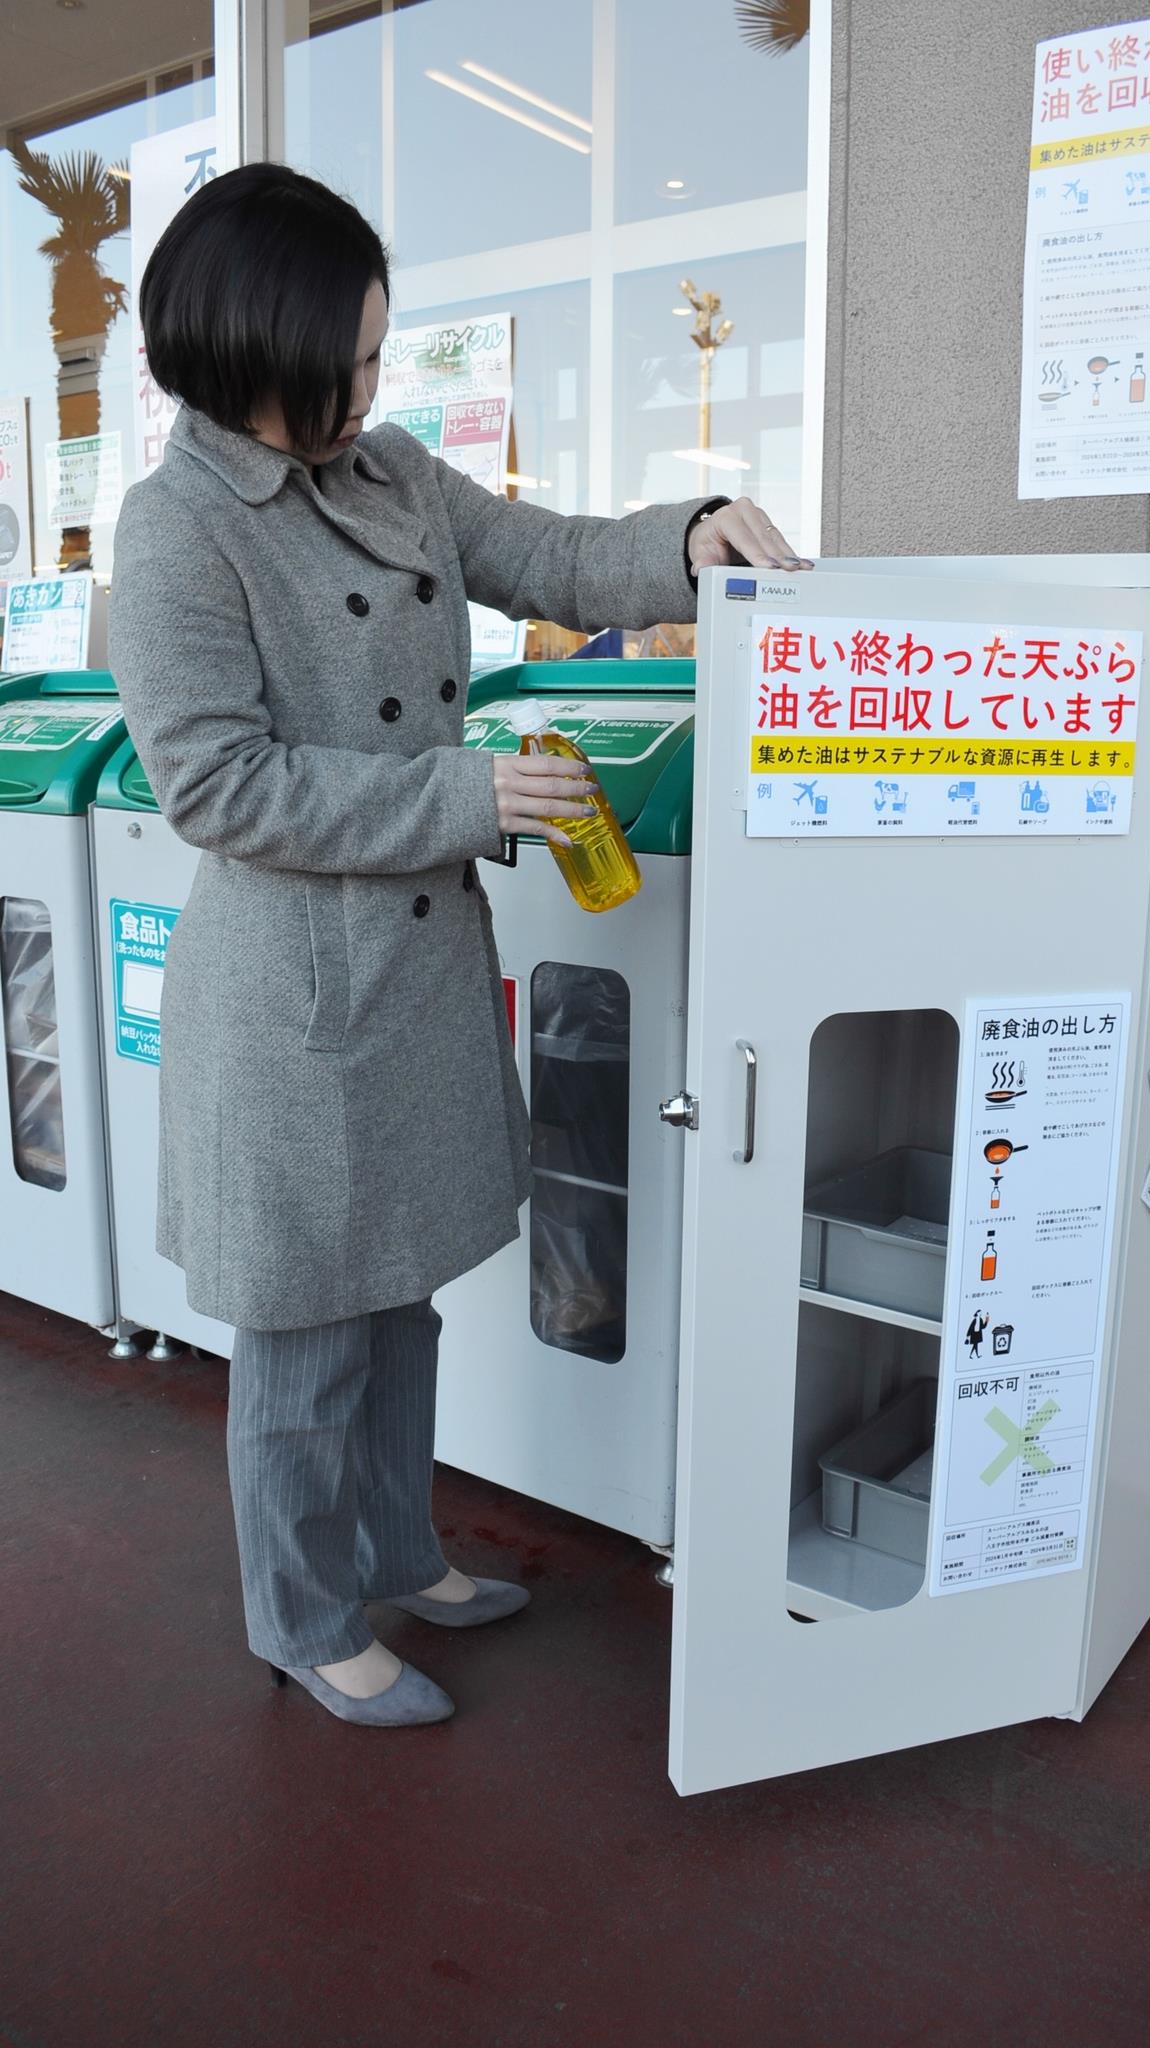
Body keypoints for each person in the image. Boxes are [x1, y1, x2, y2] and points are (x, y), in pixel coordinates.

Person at [108, 163, 812, 1728]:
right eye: (346, 362)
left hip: (410, 976)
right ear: (250, 357)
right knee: (302, 1338)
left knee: (406, 1297)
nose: (372, 384)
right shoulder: (172, 538)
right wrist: (464, 790)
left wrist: (690, 536)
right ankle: (298, 1613)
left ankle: (397, 1548)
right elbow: (217, 787)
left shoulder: (399, 475)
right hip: (289, 1010)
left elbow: (552, 556)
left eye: (376, 353)